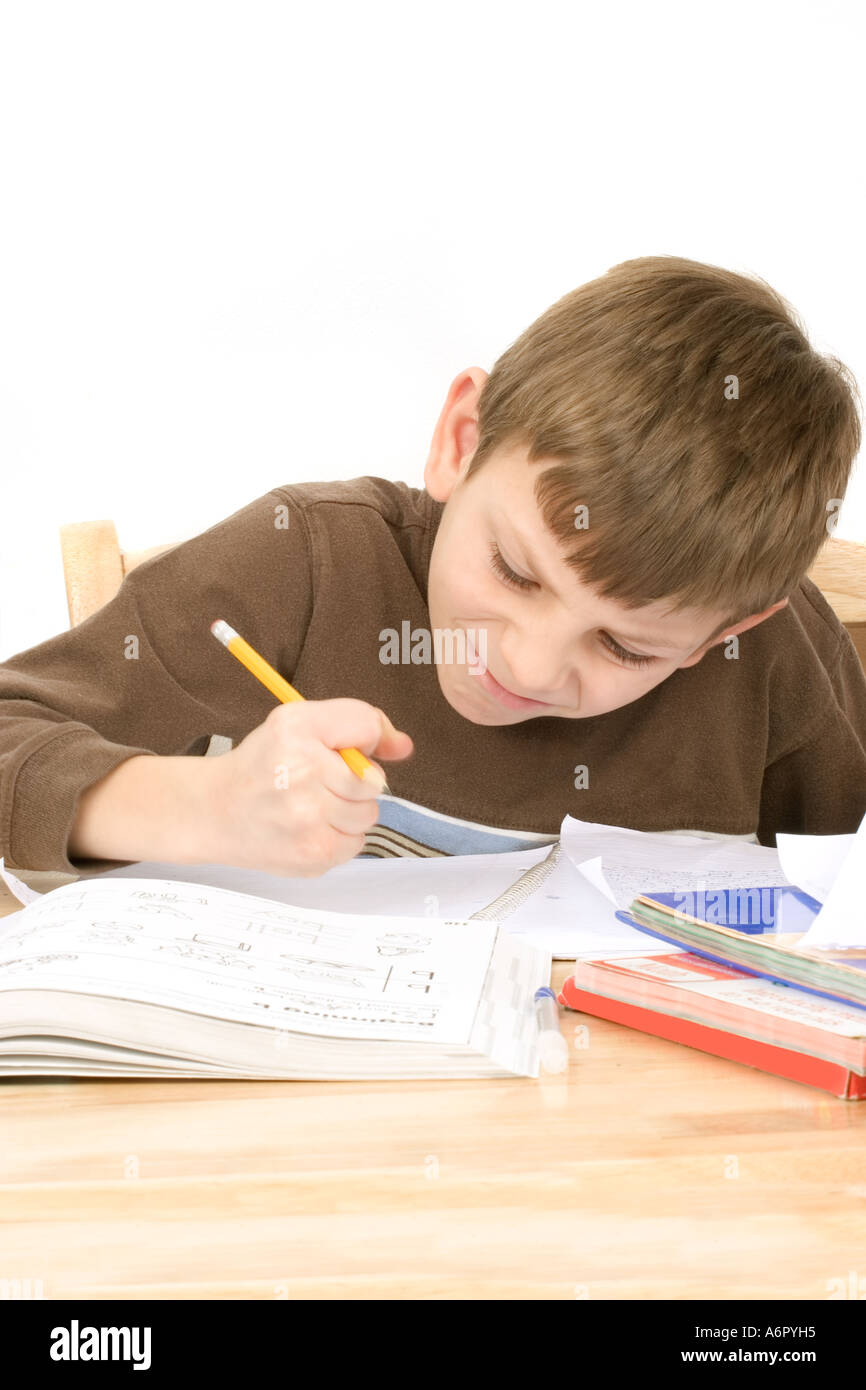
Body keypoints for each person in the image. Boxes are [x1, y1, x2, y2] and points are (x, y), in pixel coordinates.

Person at [1, 254, 864, 877]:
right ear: (462, 442)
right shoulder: (306, 562)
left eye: (626, 646)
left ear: (729, 630)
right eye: (516, 571)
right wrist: (203, 805)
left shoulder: (776, 663)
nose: (526, 665)